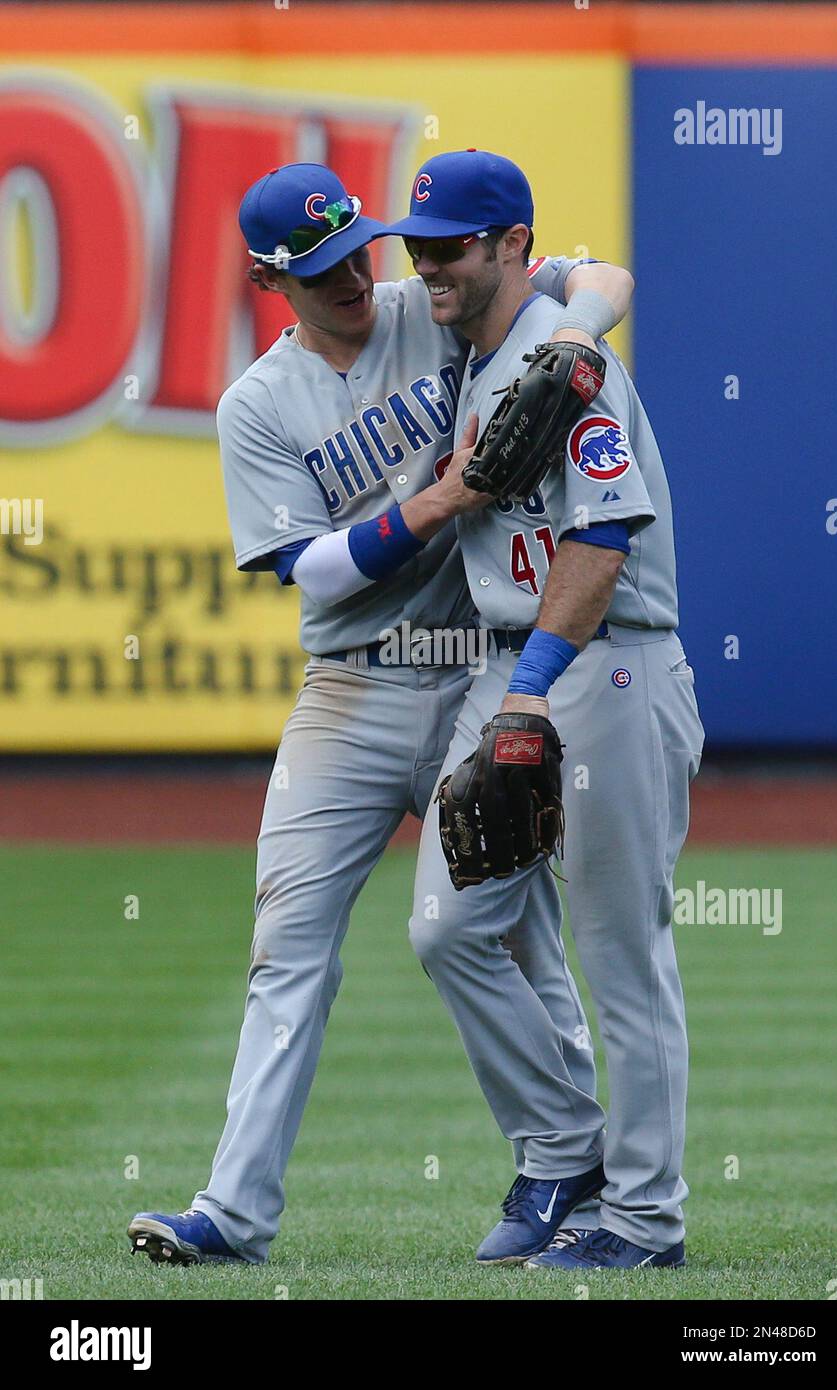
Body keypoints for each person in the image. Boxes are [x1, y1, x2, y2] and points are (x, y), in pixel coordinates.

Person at [126, 159, 636, 1265]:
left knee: (501, 931)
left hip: (476, 669)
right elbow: (309, 569)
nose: (353, 273)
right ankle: (231, 1212)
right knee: (284, 944)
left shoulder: (430, 303)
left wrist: (575, 333)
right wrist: (445, 495)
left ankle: (568, 1164)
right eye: (317, 266)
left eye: (357, 245)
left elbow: (600, 272)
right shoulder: (259, 405)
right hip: (351, 686)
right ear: (271, 280)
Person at [398, 150, 705, 1269]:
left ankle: (642, 1218)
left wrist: (527, 689)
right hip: (516, 659)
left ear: (510, 245)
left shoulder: (565, 364)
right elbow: (601, 275)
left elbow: (603, 537)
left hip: (605, 664)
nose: (428, 263)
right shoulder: (480, 342)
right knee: (446, 928)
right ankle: (568, 1150)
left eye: (452, 245)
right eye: (417, 244)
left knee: (621, 956)